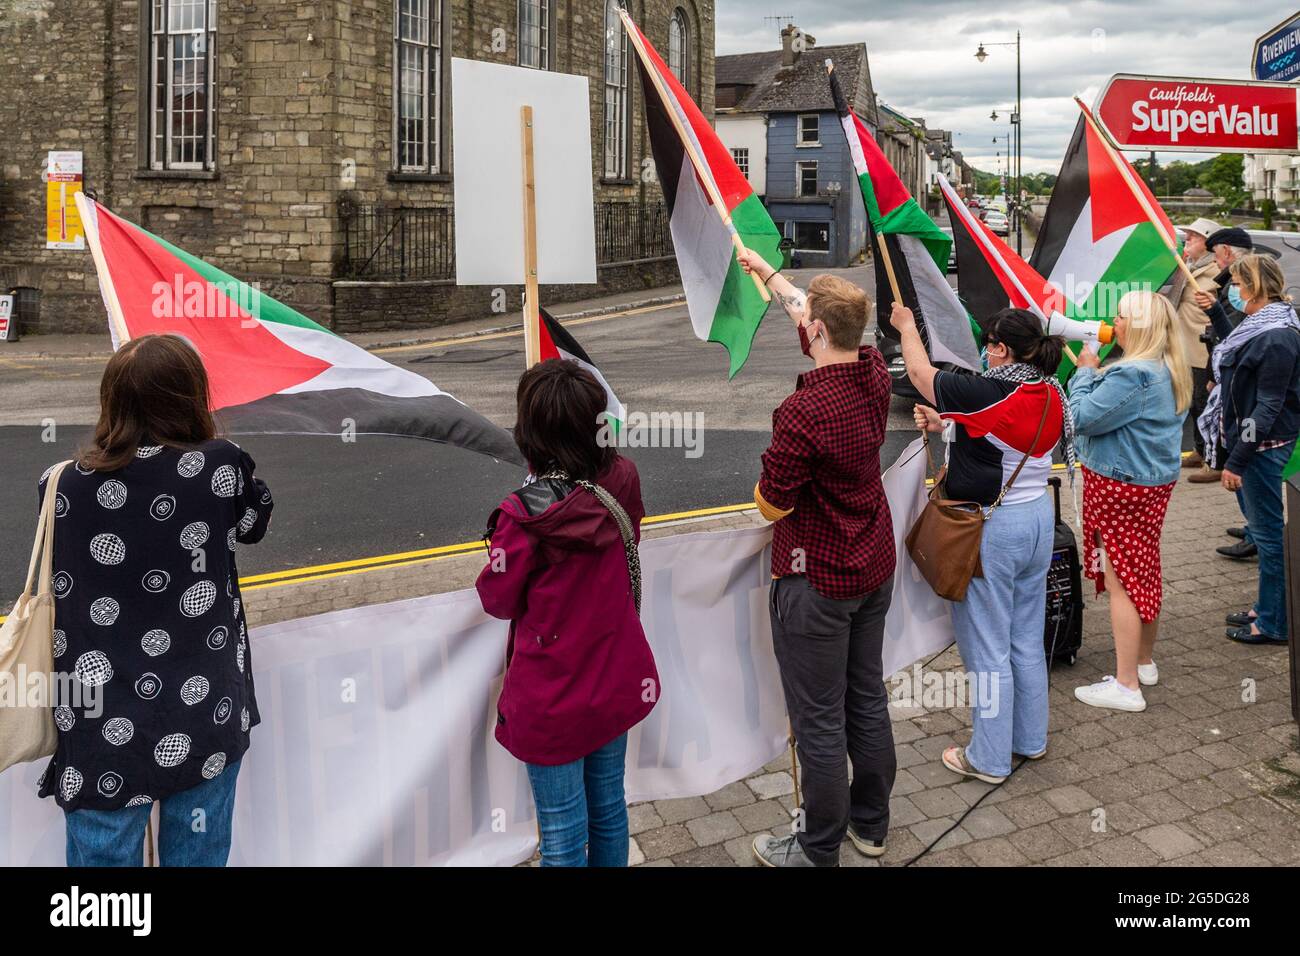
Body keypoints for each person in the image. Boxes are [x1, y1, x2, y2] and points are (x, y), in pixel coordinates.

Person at [39, 333, 273, 866]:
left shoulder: (59, 486)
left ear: (111, 401)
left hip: (99, 719)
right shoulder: (220, 467)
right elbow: (255, 520)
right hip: (204, 703)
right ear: (192, 396)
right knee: (198, 852)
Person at [736, 249, 895, 868]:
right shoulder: (875, 371)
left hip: (818, 581)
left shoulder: (803, 411)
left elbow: (771, 505)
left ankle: (815, 848)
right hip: (872, 569)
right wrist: (770, 276)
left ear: (818, 334)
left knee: (819, 721)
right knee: (867, 698)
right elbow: (813, 311)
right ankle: (871, 825)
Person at [476, 360, 658, 867]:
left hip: (553, 698)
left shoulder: (522, 515)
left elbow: (497, 598)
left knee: (560, 835)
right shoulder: (622, 477)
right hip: (614, 679)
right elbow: (630, 538)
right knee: (609, 810)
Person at [896, 306, 1069, 785]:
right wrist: (946, 423)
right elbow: (1000, 434)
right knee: (1024, 640)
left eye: (990, 343)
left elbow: (917, 372)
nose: (984, 351)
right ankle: (1029, 740)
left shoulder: (992, 389)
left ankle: (989, 758)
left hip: (995, 525)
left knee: (988, 647)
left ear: (1004, 349)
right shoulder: (1050, 389)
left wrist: (908, 326)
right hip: (1037, 518)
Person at [1069, 291, 1191, 712]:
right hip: (1152, 485)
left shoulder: (1132, 375)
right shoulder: (1169, 367)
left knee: (1121, 579)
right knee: (1144, 566)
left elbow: (1080, 417)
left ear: (1136, 327)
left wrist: (1085, 371)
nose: (1114, 322)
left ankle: (1125, 687)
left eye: (1120, 317)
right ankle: (1143, 661)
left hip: (1119, 486)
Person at [1194, 254, 1300, 646]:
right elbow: (1238, 349)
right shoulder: (1267, 322)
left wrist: (1237, 458)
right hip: (1257, 444)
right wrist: (1217, 316)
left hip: (1262, 448)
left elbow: (1268, 404)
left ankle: (1275, 622)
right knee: (1264, 530)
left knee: (1269, 537)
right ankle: (1268, 606)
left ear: (1254, 287)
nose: (1232, 292)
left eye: (1237, 285)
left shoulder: (1277, 336)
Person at [1188, 227, 1253, 488]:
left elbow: (1231, 340)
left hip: (1237, 381)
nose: (1215, 260)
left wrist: (1216, 375)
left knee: (1240, 434)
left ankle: (1221, 462)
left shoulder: (1275, 336)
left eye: (1216, 254)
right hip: (1228, 372)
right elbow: (1227, 337)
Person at [1169, 218, 1220, 471]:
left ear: (1209, 244)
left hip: (1203, 351)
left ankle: (1213, 459)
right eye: (1186, 235)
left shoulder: (1216, 272)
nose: (1186, 240)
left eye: (1193, 237)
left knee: (1204, 404)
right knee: (1191, 403)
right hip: (1184, 348)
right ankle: (1200, 450)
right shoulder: (1187, 265)